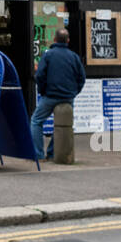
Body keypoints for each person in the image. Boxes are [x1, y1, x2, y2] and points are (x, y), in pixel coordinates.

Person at [31, 28, 87, 160]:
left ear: (54, 40)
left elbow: (39, 75)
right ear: (68, 41)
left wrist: (43, 90)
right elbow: (81, 78)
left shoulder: (48, 55)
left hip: (50, 96)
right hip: (68, 97)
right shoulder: (74, 56)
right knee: (64, 124)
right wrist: (74, 92)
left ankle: (38, 154)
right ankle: (52, 152)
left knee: (36, 121)